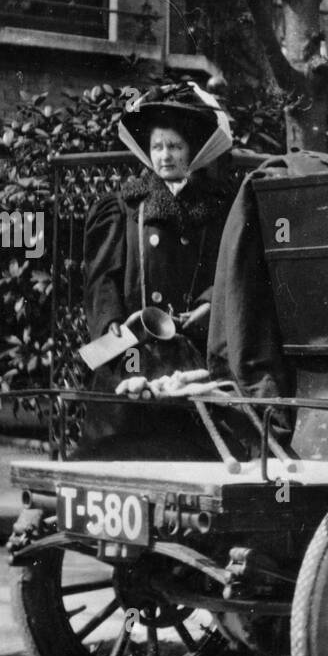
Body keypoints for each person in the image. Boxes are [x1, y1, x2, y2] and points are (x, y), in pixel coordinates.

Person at [78, 82, 237, 455]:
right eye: (157, 147)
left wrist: (210, 304)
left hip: (188, 353)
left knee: (191, 447)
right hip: (133, 348)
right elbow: (103, 280)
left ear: (193, 151)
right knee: (118, 448)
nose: (165, 156)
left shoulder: (215, 211)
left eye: (175, 147)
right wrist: (109, 323)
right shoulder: (126, 207)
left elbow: (226, 272)